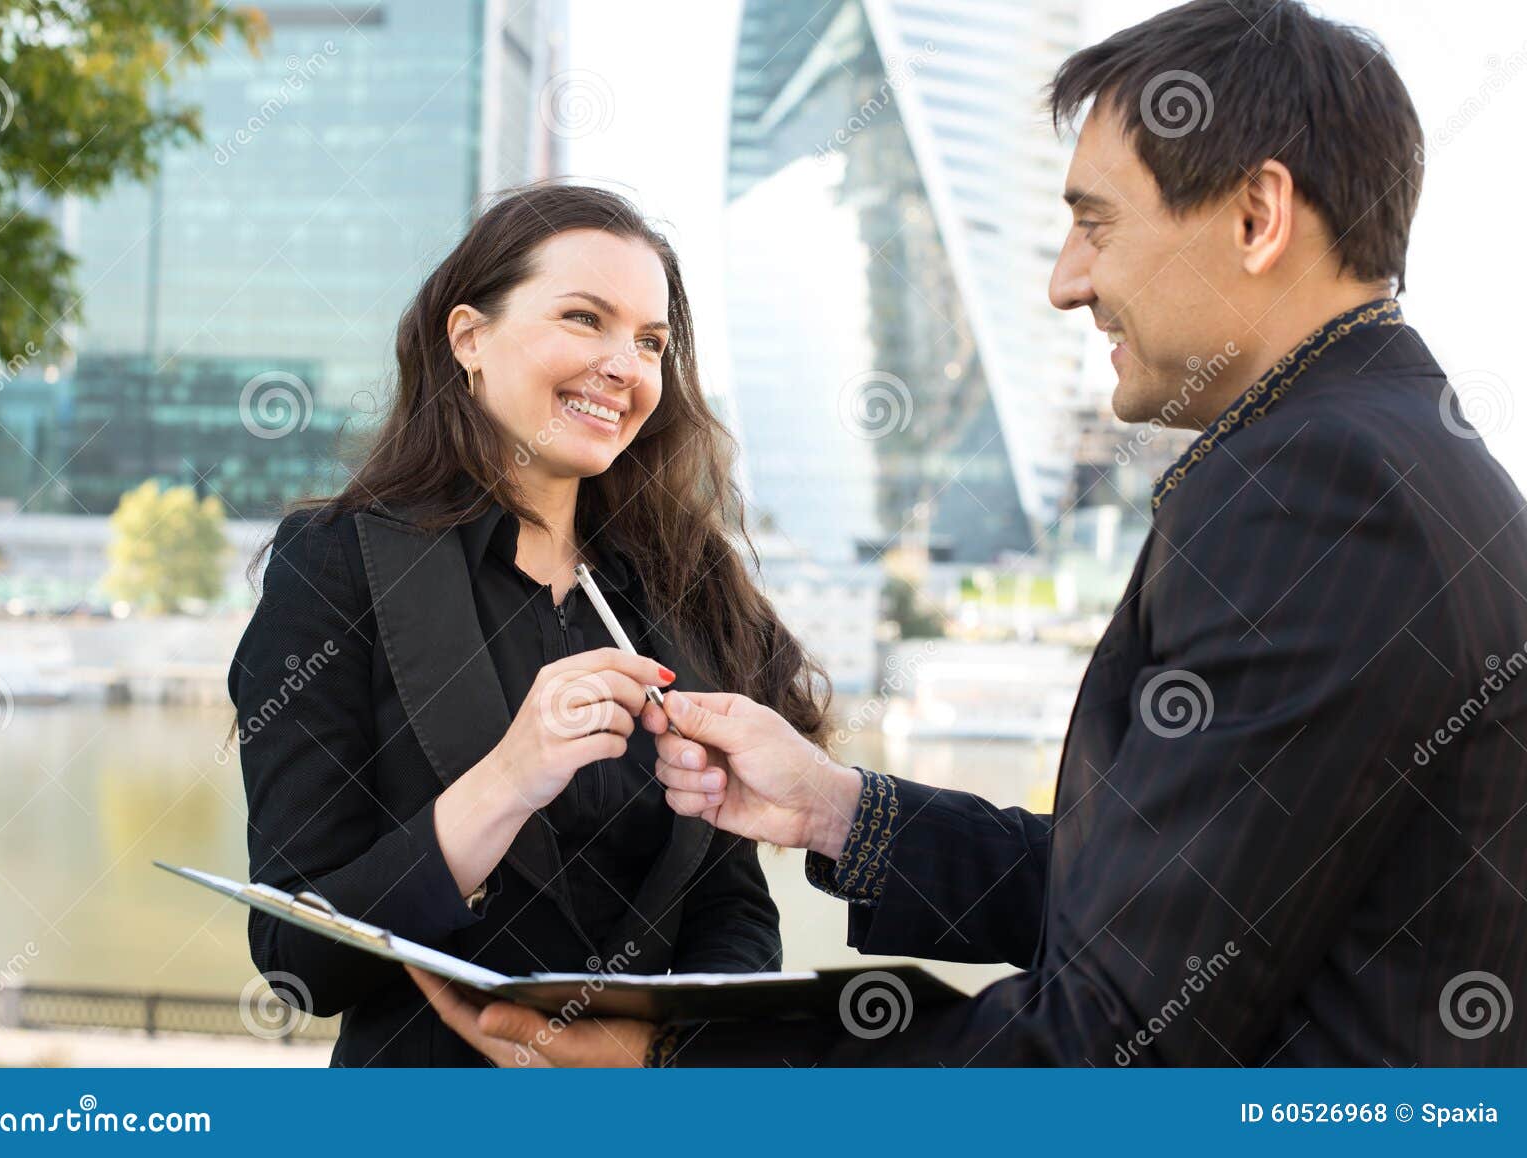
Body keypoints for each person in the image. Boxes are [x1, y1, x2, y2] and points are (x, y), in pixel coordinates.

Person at [408, 0, 1527, 1065]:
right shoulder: (1392, 453)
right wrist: (837, 810)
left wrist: (686, 1061)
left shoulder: (1316, 493)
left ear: (1255, 217)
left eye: (1094, 223)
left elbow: (1112, 1041)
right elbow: (1164, 907)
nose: (1064, 282)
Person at [231, 183, 833, 1066]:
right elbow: (298, 959)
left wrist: (672, 1057)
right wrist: (507, 781)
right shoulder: (337, 565)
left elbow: (730, 908)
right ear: (469, 338)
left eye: (651, 341)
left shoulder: (685, 581)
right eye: (584, 318)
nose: (625, 366)